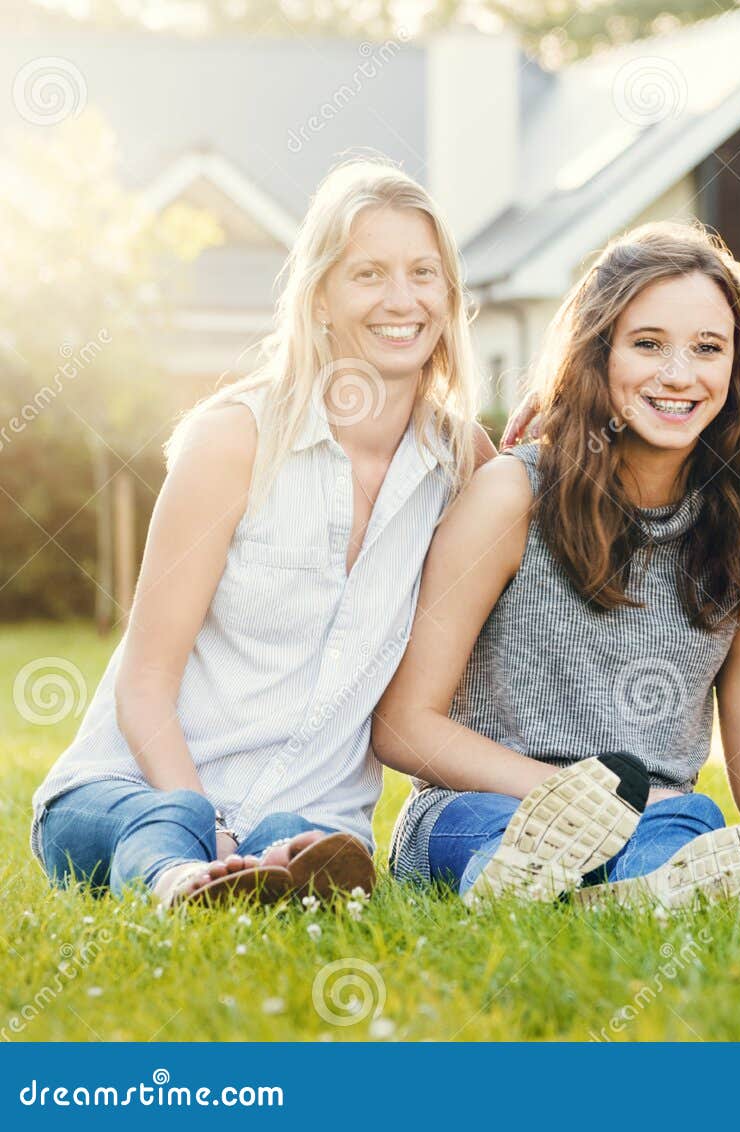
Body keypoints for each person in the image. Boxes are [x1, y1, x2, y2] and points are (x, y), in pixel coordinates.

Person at [32, 159, 493, 907]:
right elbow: (145, 683)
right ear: (318, 299)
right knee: (168, 821)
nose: (401, 299)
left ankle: (269, 877)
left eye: (423, 273)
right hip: (131, 789)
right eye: (368, 273)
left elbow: (561, 518)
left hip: (305, 818)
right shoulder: (235, 440)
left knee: (293, 838)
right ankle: (181, 883)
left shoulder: (462, 466)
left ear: (448, 296)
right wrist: (205, 826)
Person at [376, 222, 740, 912]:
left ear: (738, 367)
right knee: (504, 836)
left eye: (707, 348)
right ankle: (527, 883)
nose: (678, 373)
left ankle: (616, 897)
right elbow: (403, 723)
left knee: (693, 826)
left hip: (656, 817)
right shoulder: (513, 497)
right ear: (596, 352)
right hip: (476, 807)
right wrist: (574, 800)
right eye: (647, 344)